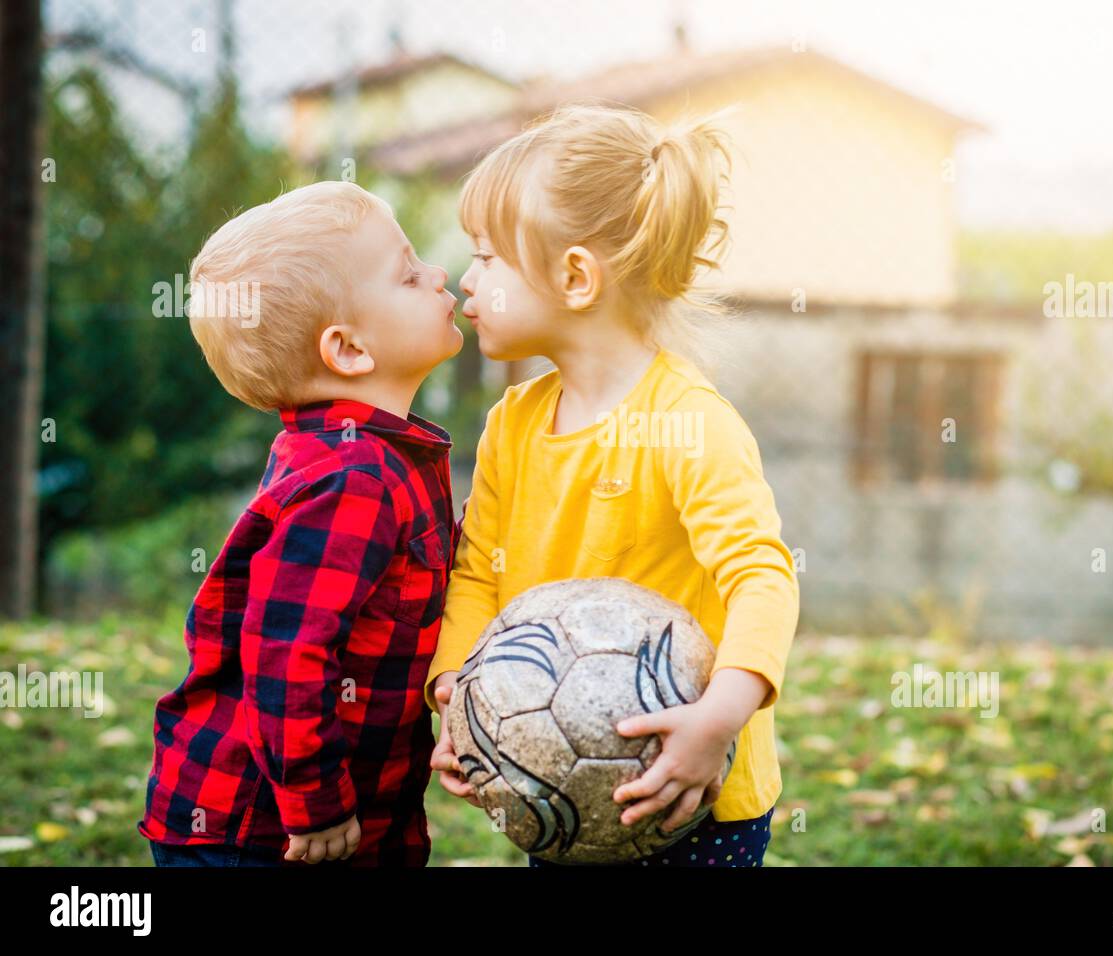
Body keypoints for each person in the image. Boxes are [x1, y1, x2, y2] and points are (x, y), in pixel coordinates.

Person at [424, 103, 799, 867]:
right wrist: (462, 695)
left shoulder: (688, 420)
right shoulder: (514, 422)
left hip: (692, 798)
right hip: (557, 790)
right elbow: (475, 575)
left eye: (489, 257)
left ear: (574, 276)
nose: (467, 278)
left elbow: (762, 578)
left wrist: (716, 721)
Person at [138, 181, 463, 866]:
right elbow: (286, 654)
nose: (438, 275)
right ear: (347, 350)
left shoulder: (365, 454)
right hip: (258, 830)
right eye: (408, 275)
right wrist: (316, 805)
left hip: (345, 811)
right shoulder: (352, 478)